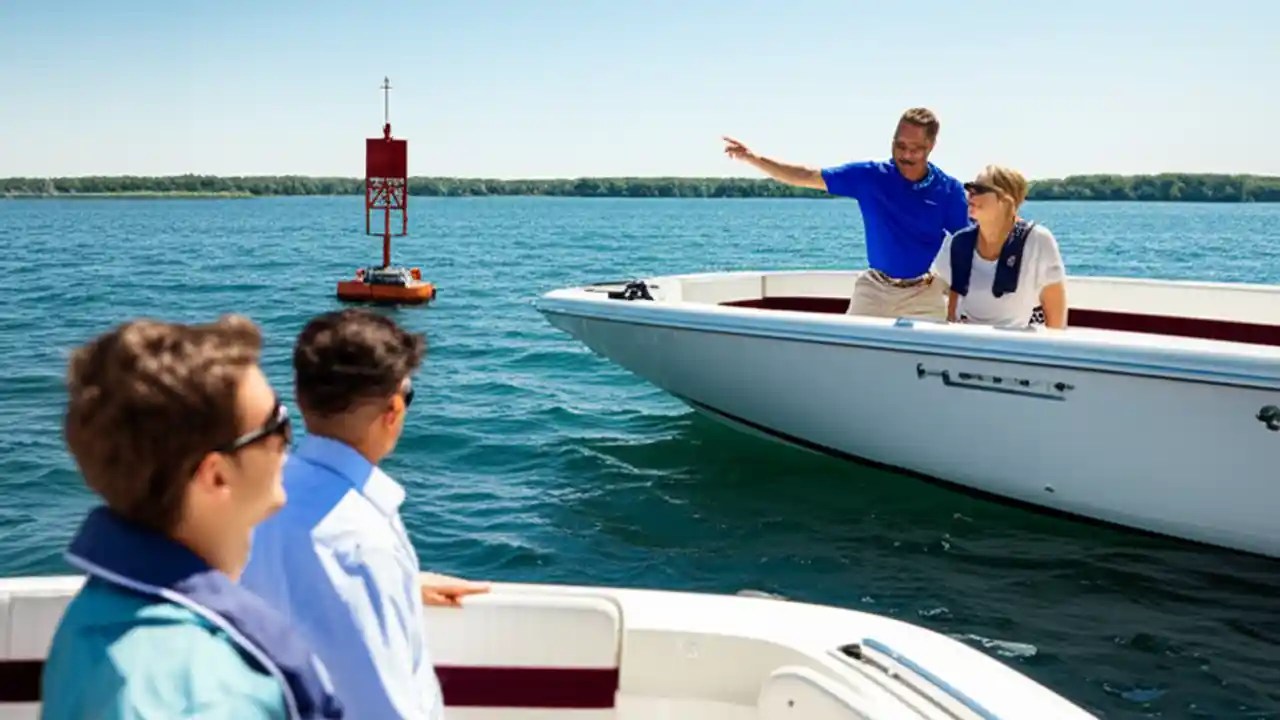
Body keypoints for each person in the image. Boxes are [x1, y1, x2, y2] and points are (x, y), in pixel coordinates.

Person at [42, 315, 344, 720]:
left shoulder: (101, 612)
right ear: (216, 476)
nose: (287, 442)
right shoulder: (205, 691)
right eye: (277, 425)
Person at [241, 309, 489, 720]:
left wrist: (402, 584)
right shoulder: (361, 547)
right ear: (393, 410)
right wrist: (377, 579)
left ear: (301, 399)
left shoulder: (258, 498)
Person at [722, 107, 970, 319]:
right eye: (900, 145)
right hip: (875, 288)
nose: (905, 154)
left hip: (923, 293)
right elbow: (808, 176)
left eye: (915, 148)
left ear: (931, 146)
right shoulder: (870, 177)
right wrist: (754, 158)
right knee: (847, 353)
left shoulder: (948, 191)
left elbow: (970, 247)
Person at [930, 164, 1068, 328]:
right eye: (969, 188)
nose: (970, 195)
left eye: (979, 190)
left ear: (1005, 200)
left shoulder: (1038, 241)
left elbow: (1056, 321)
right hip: (969, 346)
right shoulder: (958, 244)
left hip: (1016, 348)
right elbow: (951, 312)